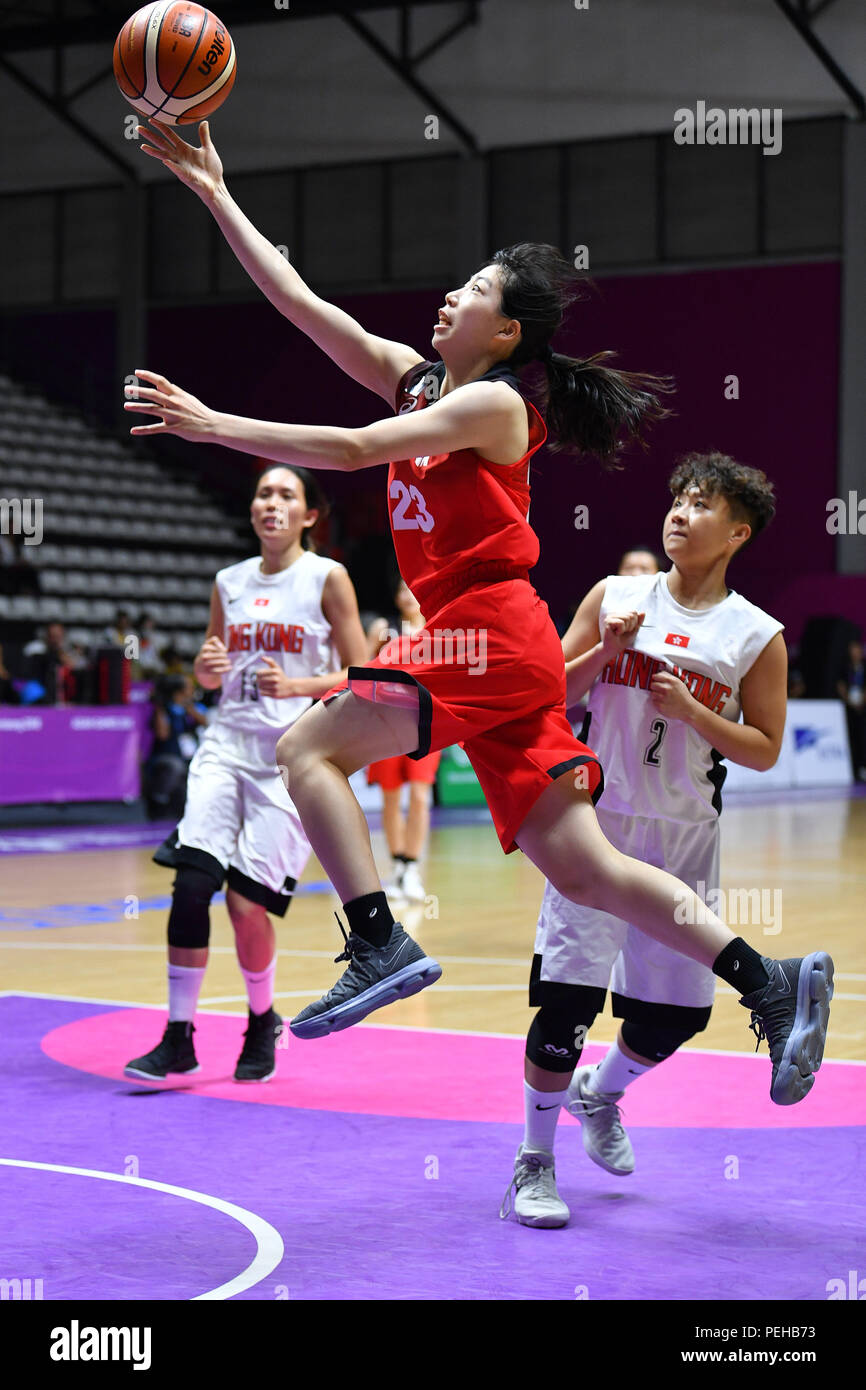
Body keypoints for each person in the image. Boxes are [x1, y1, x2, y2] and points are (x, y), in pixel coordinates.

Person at [123, 118, 833, 1122]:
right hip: (502, 650)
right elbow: (299, 302)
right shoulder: (421, 377)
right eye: (457, 284)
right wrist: (212, 192)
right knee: (585, 868)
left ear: (503, 334)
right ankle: (772, 981)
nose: (451, 293)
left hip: (486, 630)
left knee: (305, 750)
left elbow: (359, 447)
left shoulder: (495, 408)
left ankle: (376, 939)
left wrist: (216, 426)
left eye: (477, 290)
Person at [501, 453, 788, 1228]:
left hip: (686, 838)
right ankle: (532, 1163)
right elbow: (546, 696)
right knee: (564, 1003)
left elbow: (764, 747)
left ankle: (603, 1095)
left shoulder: (756, 634)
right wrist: (604, 652)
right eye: (678, 499)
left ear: (737, 532)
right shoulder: (615, 596)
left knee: (673, 1019)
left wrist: (697, 716)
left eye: (701, 505)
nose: (679, 513)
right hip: (596, 823)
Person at [124, 465, 368, 1084]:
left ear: (310, 515)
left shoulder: (327, 578)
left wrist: (300, 685)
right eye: (264, 493)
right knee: (190, 885)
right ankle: (179, 1036)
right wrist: (208, 671)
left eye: (288, 495)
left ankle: (261, 1020)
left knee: (244, 905)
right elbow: (212, 668)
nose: (273, 503)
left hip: (291, 758)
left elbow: (364, 673)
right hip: (225, 747)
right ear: (253, 509)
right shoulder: (227, 582)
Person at [366, 579, 441, 903]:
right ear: (396, 597)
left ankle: (412, 867)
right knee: (391, 799)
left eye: (413, 589)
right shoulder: (384, 630)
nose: (407, 595)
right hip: (386, 723)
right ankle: (397, 867)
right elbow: (363, 668)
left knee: (421, 797)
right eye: (402, 589)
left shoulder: (440, 629)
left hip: (426, 724)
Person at [143, 673, 209, 820]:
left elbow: (206, 723)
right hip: (166, 756)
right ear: (178, 690)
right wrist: (159, 706)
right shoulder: (164, 709)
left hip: (189, 756)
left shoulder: (193, 708)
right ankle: (158, 800)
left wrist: (188, 707)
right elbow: (162, 734)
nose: (192, 689)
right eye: (189, 687)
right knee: (175, 766)